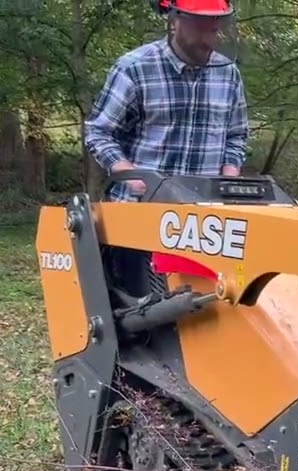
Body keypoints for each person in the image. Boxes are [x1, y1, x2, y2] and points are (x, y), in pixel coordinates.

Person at [83, 0, 248, 278]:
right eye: (200, 28)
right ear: (175, 21)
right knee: (142, 315)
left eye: (215, 28)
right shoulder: (135, 68)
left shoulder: (228, 74)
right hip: (139, 218)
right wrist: (131, 176)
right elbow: (99, 131)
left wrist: (229, 178)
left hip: (204, 226)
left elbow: (236, 136)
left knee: (204, 315)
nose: (209, 38)